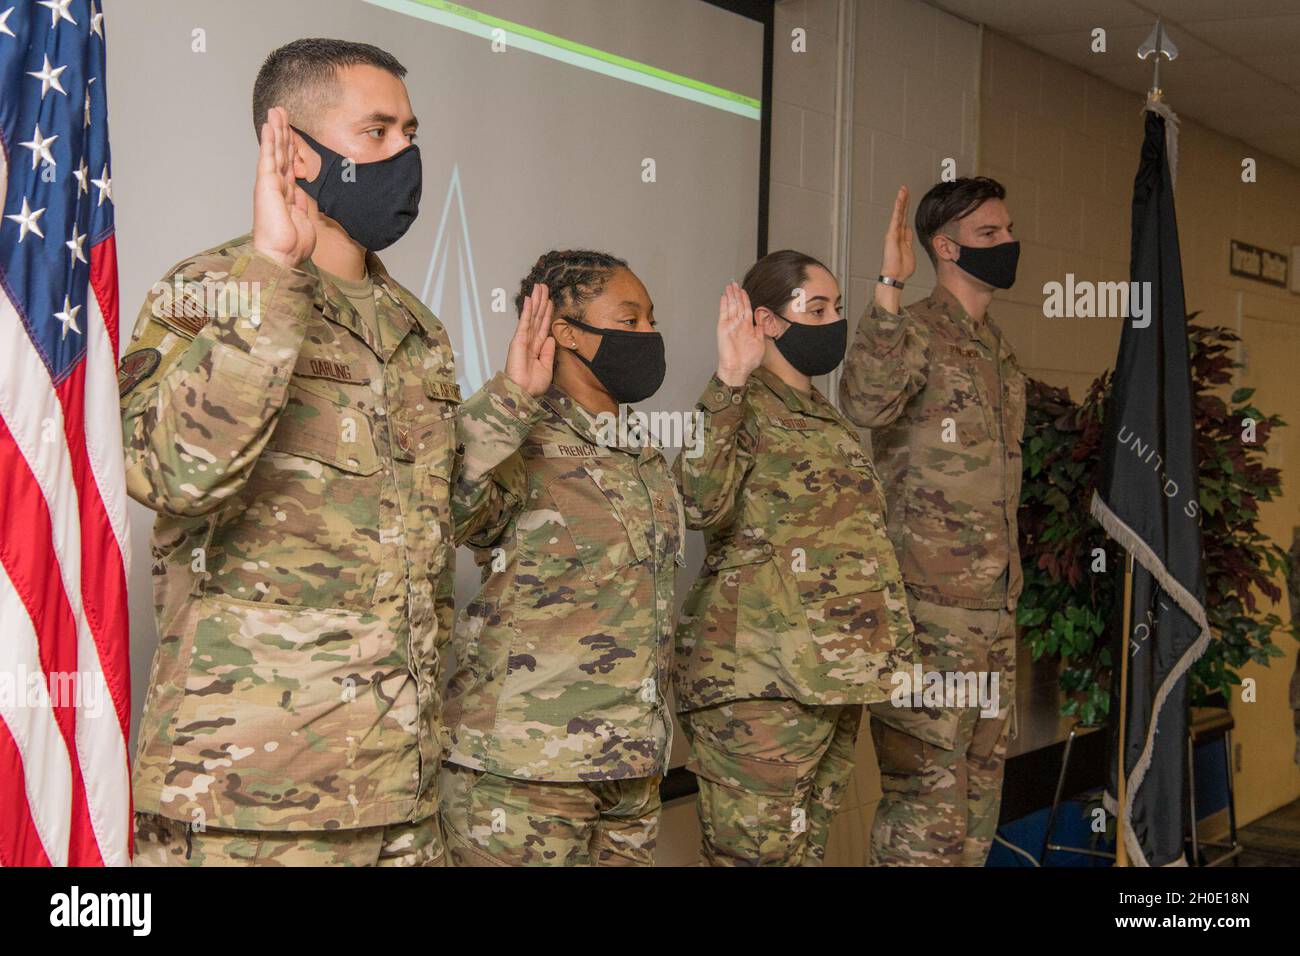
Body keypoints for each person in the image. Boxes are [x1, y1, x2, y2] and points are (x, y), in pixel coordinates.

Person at [123, 38, 551, 867]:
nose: (406, 155)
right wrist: (274, 278)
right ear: (297, 150)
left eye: (411, 133)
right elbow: (171, 474)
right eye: (377, 132)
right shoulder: (210, 288)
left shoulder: (416, 327)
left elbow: (443, 516)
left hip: (402, 789)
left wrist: (510, 403)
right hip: (253, 797)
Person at [440, 251, 698, 866]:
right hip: (526, 770)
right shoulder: (516, 437)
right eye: (629, 321)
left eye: (651, 320)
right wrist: (510, 398)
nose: (648, 335)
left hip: (631, 764)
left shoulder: (639, 449)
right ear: (567, 333)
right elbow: (442, 507)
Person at [673, 252, 914, 866]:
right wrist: (729, 379)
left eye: (837, 309)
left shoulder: (825, 418)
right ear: (768, 321)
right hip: (759, 682)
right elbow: (696, 502)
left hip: (832, 679)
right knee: (755, 858)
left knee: (804, 853)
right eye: (818, 309)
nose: (834, 323)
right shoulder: (739, 405)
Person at [839, 179, 1027, 866]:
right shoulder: (914, 329)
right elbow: (864, 402)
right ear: (945, 248)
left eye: (1008, 231)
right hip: (928, 616)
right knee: (927, 811)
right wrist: (889, 283)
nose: (1008, 244)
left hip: (993, 615)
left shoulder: (996, 347)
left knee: (977, 810)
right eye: (989, 234)